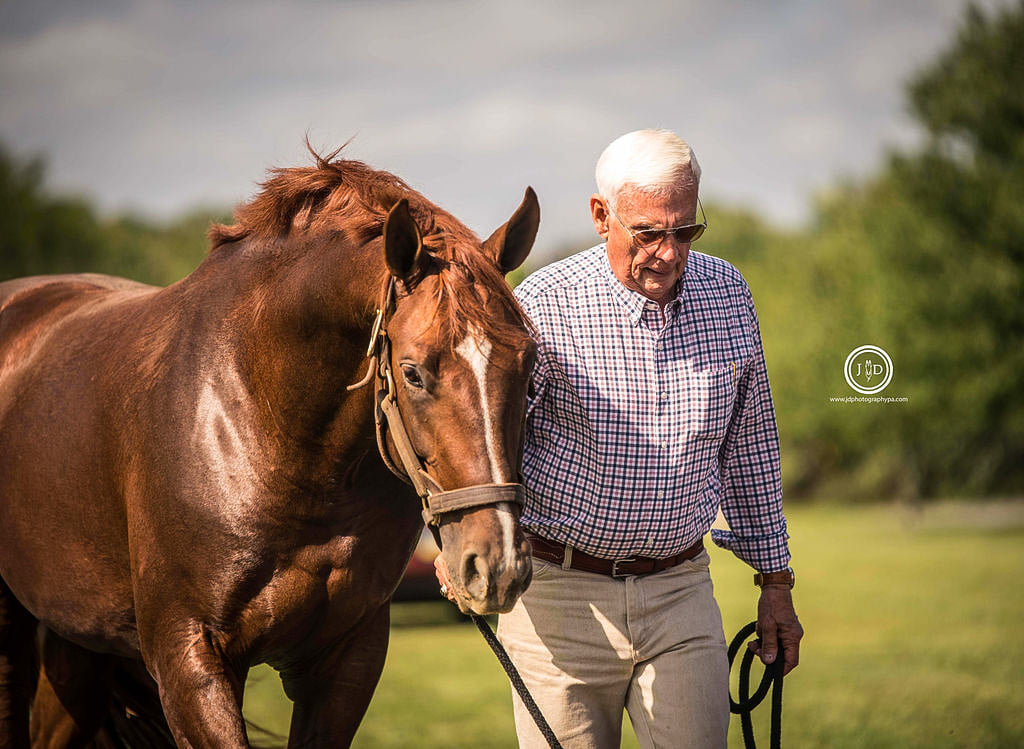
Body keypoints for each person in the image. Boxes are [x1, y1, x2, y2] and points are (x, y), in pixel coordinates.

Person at [438, 129, 803, 749]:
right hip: (558, 597)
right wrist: (456, 538)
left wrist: (776, 583)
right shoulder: (542, 304)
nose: (669, 253)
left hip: (681, 590)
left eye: (685, 231)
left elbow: (751, 449)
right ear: (601, 215)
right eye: (648, 233)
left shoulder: (729, 294)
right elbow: (482, 434)